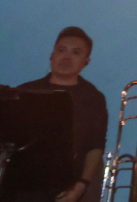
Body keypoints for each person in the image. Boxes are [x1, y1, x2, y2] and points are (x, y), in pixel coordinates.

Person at [1, 27, 108, 202]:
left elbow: (95, 146)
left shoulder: (93, 98)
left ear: (86, 61)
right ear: (52, 55)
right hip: (20, 185)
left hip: (66, 186)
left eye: (75, 52)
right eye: (61, 50)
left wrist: (80, 187)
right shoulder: (26, 91)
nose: (66, 57)